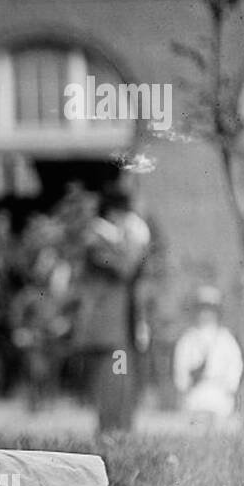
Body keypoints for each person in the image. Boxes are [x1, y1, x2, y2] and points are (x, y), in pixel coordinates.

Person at [72, 181, 152, 433]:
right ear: (115, 214)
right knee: (112, 388)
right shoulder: (94, 238)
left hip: (121, 329)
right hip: (106, 331)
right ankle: (111, 437)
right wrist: (137, 242)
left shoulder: (113, 240)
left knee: (123, 387)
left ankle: (121, 437)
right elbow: (124, 268)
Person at [172, 285, 243, 427]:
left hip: (219, 392)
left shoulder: (226, 338)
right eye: (202, 308)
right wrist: (183, 387)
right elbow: (180, 367)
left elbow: (236, 365)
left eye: (210, 309)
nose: (206, 313)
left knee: (220, 426)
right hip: (196, 393)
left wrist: (230, 387)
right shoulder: (188, 338)